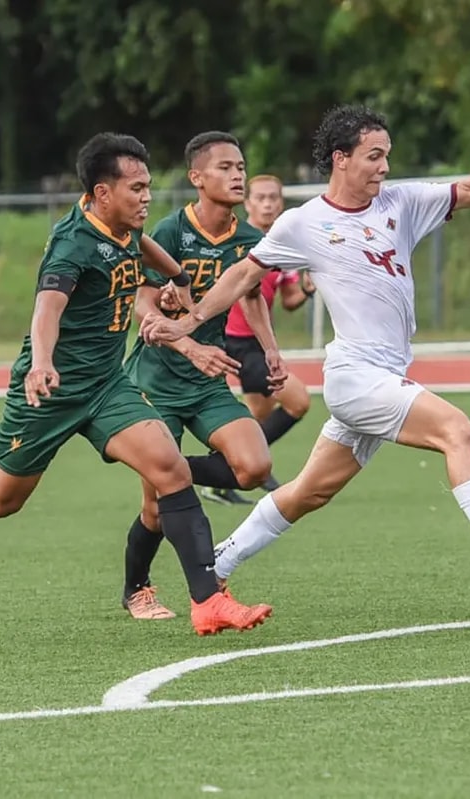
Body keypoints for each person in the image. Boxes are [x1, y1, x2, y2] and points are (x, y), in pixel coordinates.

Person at [141, 105, 470, 599]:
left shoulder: (402, 202)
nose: (385, 167)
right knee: (458, 430)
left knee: (308, 492)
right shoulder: (303, 224)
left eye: (387, 156)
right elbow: (242, 275)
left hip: (383, 374)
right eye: (374, 156)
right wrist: (190, 322)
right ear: (341, 159)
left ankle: (217, 563)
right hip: (356, 376)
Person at [0, 132, 273, 636]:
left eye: (147, 187)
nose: (146, 198)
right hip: (51, 391)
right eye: (136, 189)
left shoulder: (123, 226)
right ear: (101, 193)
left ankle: (207, 601)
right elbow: (47, 308)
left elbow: (144, 249)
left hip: (107, 385)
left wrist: (180, 279)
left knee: (170, 468)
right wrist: (42, 363)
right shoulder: (74, 243)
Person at [119, 131, 287, 620]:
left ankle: (170, 468)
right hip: (155, 381)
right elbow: (143, 305)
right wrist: (187, 342)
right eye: (226, 168)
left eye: (241, 167)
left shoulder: (250, 240)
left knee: (254, 467)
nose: (238, 175)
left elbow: (252, 294)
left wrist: (271, 350)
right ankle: (137, 589)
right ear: (197, 178)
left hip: (206, 381)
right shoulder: (170, 232)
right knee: (154, 510)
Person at [205, 174, 316, 505]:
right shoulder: (241, 240)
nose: (268, 204)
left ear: (281, 204)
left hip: (258, 344)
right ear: (248, 203)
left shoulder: (282, 244)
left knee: (260, 416)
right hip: (236, 341)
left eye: (274, 198)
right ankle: (241, 468)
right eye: (261, 198)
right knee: (298, 401)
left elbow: (289, 299)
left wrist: (308, 289)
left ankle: (221, 476)